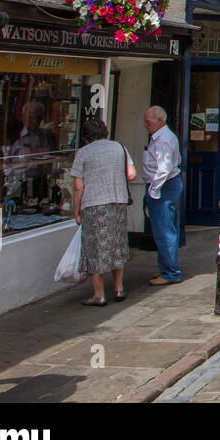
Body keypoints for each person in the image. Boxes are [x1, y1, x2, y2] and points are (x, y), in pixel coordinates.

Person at [69, 119, 136, 305]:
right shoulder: (119, 148)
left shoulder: (83, 153)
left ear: (85, 136)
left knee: (94, 248)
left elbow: (78, 186)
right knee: (117, 246)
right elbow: (131, 174)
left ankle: (99, 295)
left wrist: (76, 211)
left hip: (94, 204)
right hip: (118, 202)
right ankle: (119, 289)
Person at [142, 106, 183, 286]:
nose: (145, 124)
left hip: (163, 186)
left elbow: (164, 169)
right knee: (167, 228)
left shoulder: (164, 139)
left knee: (164, 230)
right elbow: (178, 160)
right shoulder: (163, 137)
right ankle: (167, 268)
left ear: (160, 120)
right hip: (167, 185)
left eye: (148, 121)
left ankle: (170, 273)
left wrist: (153, 190)